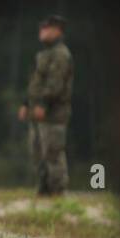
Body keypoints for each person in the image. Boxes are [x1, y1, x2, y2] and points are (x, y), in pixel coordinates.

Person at [17, 15, 72, 195]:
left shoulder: (61, 55)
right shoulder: (43, 55)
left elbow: (55, 84)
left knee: (53, 152)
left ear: (57, 30)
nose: (42, 31)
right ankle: (43, 189)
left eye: (46, 28)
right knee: (38, 152)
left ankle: (57, 191)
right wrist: (26, 103)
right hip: (38, 111)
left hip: (53, 113)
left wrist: (43, 104)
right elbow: (35, 83)